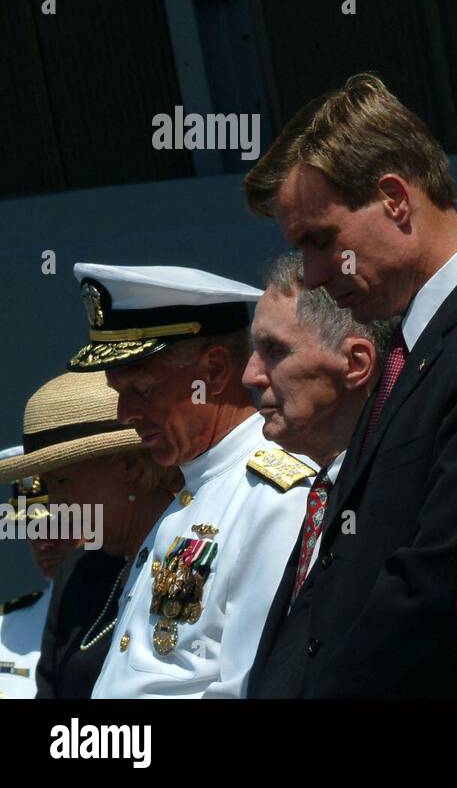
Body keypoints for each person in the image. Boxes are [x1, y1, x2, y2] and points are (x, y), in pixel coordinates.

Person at [242, 74, 457, 698]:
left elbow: (432, 581)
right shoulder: (410, 348)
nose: (315, 274)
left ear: (394, 198)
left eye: (322, 240)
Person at [69, 263, 312, 698]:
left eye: (142, 390)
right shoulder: (191, 491)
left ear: (214, 373)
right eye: (117, 391)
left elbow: (249, 688)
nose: (125, 414)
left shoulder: (273, 495)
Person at [0, 372, 181, 698]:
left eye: (63, 482)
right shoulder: (77, 576)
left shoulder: (203, 551)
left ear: (129, 467)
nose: (55, 506)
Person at [242, 251, 393, 597]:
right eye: (254, 351)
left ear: (355, 363)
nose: (250, 376)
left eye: (274, 350)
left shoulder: (396, 503)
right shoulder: (324, 493)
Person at [0, 464, 73, 699]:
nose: (44, 541)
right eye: (33, 526)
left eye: (59, 523)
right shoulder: (5, 626)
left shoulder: (128, 611)